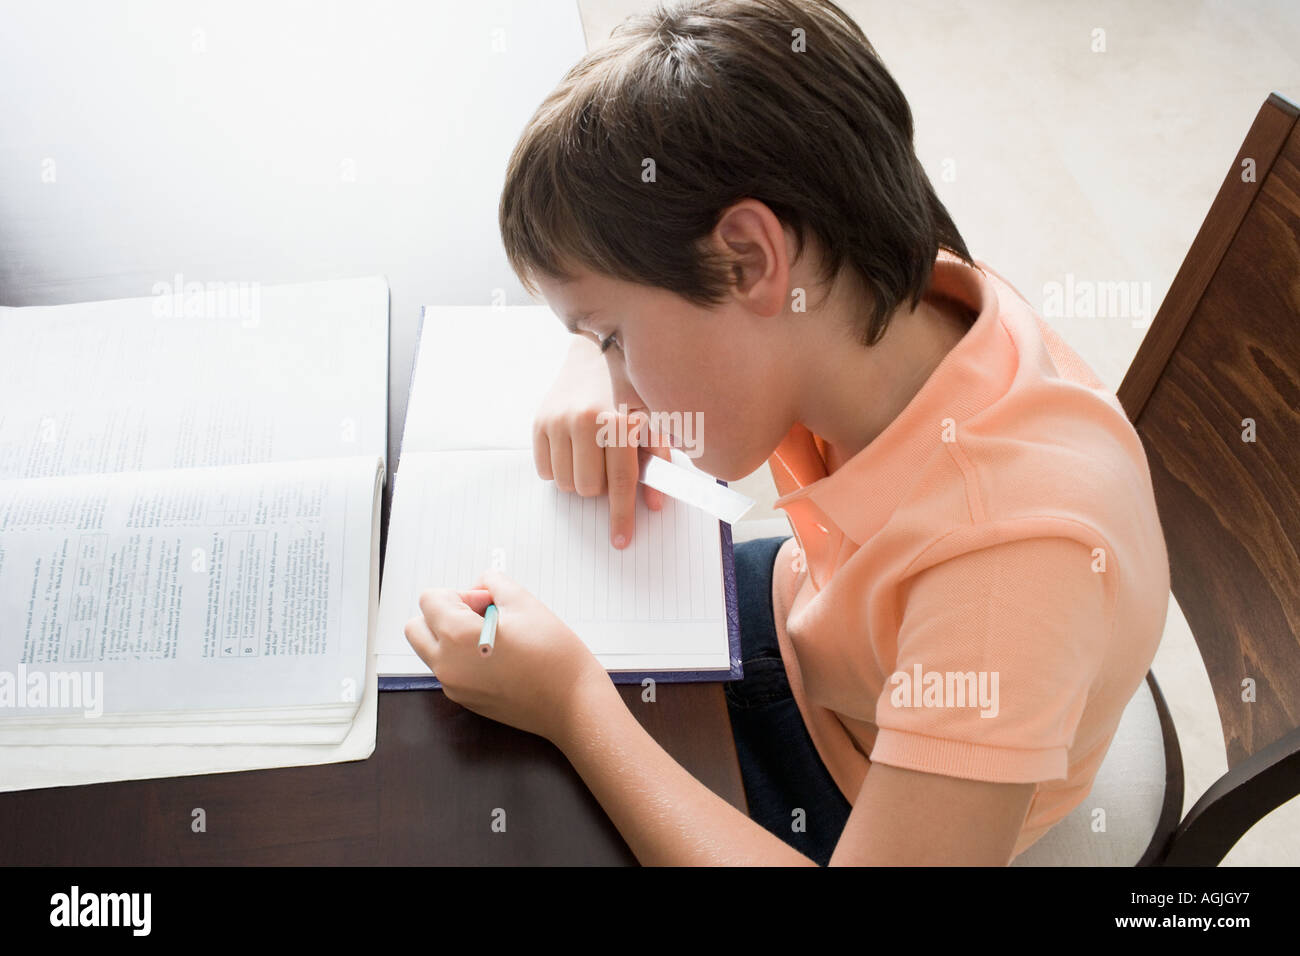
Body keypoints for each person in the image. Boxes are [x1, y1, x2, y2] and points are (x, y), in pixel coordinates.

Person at [403, 0, 1170, 865]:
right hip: (826, 637)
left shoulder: (1007, 563)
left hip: (856, 780)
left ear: (751, 259)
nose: (616, 379)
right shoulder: (886, 302)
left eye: (614, 336)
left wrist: (576, 706)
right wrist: (598, 358)